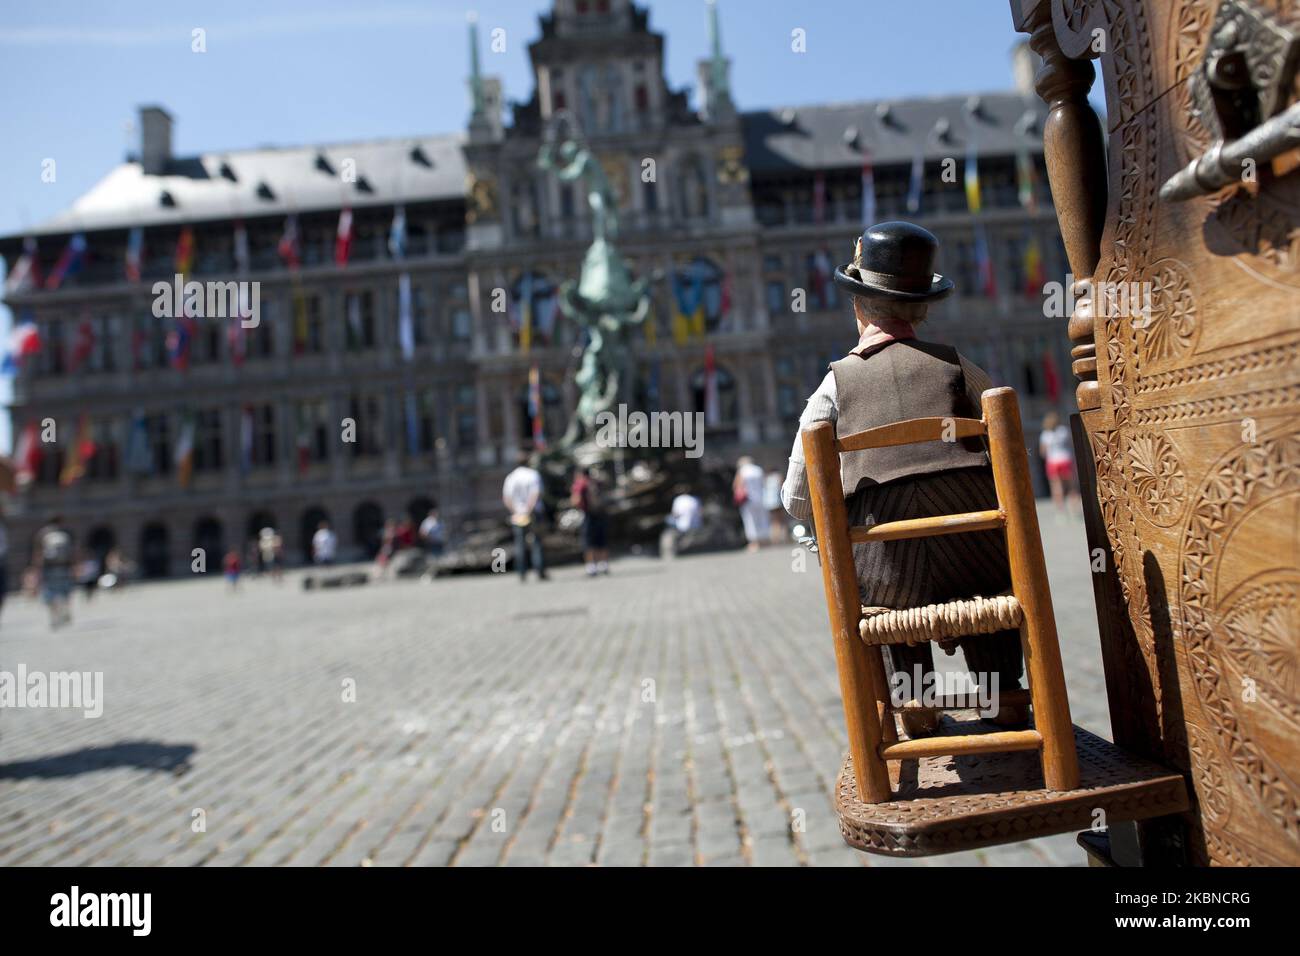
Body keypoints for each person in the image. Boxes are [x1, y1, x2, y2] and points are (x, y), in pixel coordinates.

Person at [781, 222, 1026, 734]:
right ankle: (1003, 696)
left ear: (857, 305)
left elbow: (798, 499)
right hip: (975, 562)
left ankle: (915, 705)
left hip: (891, 577)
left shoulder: (833, 387)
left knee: (879, 575)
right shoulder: (958, 368)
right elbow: (1009, 457)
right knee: (986, 562)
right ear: (923, 306)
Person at [502, 449, 548, 582]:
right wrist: (529, 510)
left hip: (518, 513)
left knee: (520, 544)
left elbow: (507, 498)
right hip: (533, 513)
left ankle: (522, 573)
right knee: (537, 542)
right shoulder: (533, 474)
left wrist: (516, 511)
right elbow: (536, 494)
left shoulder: (511, 477)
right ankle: (539, 571)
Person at [35, 514, 75, 629]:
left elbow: (38, 553)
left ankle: (54, 617)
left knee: (50, 593)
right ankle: (65, 612)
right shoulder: (65, 533)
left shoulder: (42, 534)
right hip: (64, 567)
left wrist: (37, 569)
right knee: (65, 591)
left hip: (49, 568)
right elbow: (72, 552)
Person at [571, 466, 610, 576]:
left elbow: (576, 500)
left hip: (587, 515)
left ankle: (591, 567)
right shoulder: (596, 482)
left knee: (587, 541)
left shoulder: (580, 484)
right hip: (600, 514)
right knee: (601, 540)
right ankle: (604, 564)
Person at [1039, 411, 1079, 514]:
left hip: (1053, 461)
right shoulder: (1064, 431)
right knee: (1071, 485)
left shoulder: (1045, 435)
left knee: (1056, 487)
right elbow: (1071, 444)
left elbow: (1042, 452)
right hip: (1066, 459)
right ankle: (1074, 508)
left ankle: (1060, 510)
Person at [733, 456, 769, 552]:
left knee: (750, 521)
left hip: (748, 500)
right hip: (761, 498)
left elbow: (737, 485)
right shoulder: (758, 469)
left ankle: (754, 543)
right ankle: (764, 541)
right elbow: (764, 483)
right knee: (762, 519)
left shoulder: (742, 471)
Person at [763, 470, 787, 545]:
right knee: (780, 520)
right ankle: (782, 537)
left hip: (769, 503)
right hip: (777, 501)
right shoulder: (778, 477)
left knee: (773, 521)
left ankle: (774, 538)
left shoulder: (767, 478)